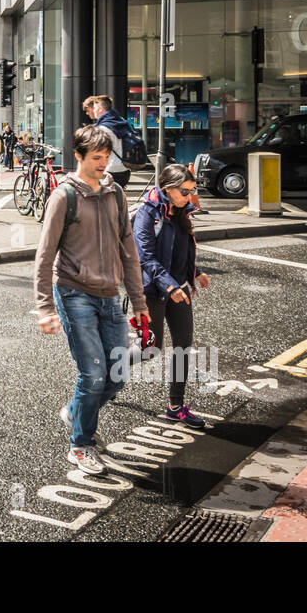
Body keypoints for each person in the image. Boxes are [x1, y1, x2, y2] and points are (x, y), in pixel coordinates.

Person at [33, 124, 149, 476]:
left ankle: (75, 408)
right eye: (96, 158)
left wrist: (140, 303)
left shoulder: (116, 195)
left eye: (106, 157)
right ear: (79, 156)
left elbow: (129, 251)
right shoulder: (64, 197)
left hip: (109, 294)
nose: (103, 164)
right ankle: (81, 445)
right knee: (94, 373)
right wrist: (44, 307)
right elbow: (44, 254)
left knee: (117, 373)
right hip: (72, 292)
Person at [133, 165, 211, 427]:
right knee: (150, 349)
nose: (189, 196)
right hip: (153, 290)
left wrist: (195, 272)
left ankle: (175, 406)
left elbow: (179, 252)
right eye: (185, 191)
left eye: (192, 191)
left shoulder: (181, 213)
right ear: (168, 189)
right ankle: (106, 371)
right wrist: (169, 286)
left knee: (183, 345)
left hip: (179, 288)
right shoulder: (147, 214)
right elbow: (146, 258)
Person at [84, 95, 136, 188]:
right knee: (117, 199)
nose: (93, 111)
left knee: (102, 200)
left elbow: (97, 151)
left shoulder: (103, 128)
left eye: (95, 108)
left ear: (100, 109)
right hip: (125, 170)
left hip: (109, 171)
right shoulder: (122, 121)